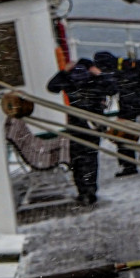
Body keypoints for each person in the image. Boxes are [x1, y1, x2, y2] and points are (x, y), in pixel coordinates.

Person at [47, 57, 117, 205]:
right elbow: (113, 88)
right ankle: (90, 191)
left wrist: (64, 72)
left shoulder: (70, 80)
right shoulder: (95, 80)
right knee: (90, 159)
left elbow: (51, 87)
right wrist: (99, 74)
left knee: (77, 159)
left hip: (75, 125)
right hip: (93, 125)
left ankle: (82, 191)